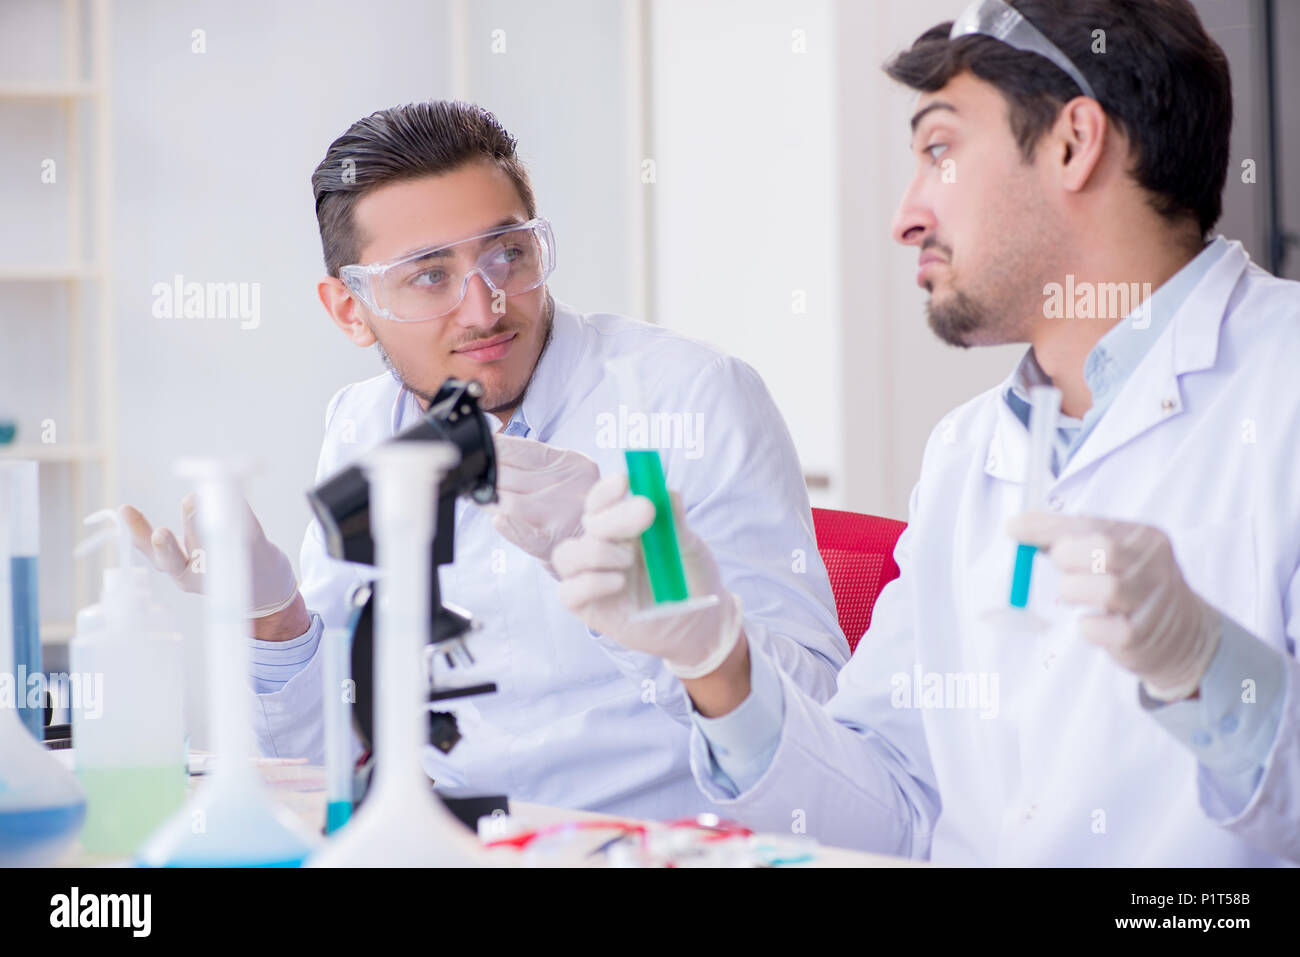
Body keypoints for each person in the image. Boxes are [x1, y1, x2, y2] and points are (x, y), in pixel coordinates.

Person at [551, 0, 1300, 864]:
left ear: (1072, 142)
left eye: (939, 150)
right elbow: (893, 812)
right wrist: (718, 666)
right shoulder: (967, 452)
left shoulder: (1279, 385)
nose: (904, 216)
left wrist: (1210, 669)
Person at [121, 101, 847, 820]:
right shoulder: (366, 426)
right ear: (350, 309)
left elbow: (819, 721)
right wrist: (276, 620)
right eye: (430, 275)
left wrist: (652, 599)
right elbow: (325, 754)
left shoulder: (688, 399)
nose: (485, 307)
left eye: (508, 253)